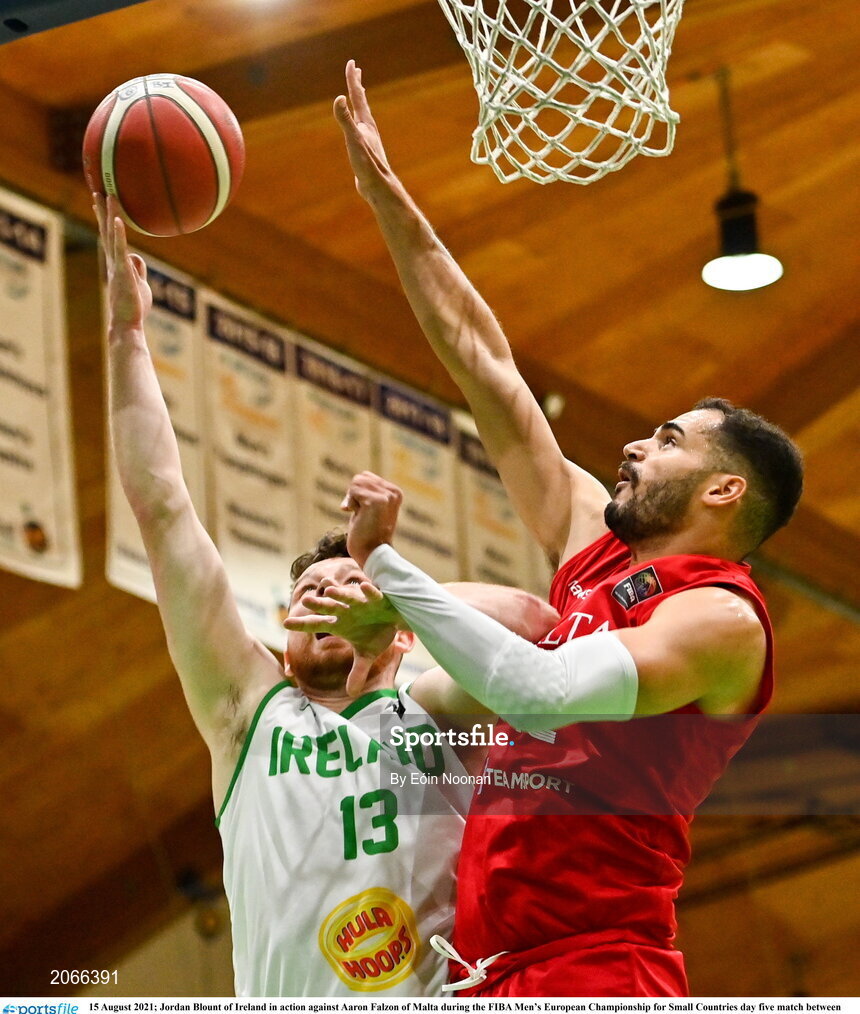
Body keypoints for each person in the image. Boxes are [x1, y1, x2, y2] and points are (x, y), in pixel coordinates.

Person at [321, 63, 806, 997]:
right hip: (487, 974)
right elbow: (483, 363)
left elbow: (538, 693)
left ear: (723, 492)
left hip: (600, 972)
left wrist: (389, 569)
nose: (632, 445)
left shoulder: (720, 624)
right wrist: (387, 203)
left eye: (666, 441)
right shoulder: (597, 551)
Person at [94, 194, 558, 997]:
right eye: (312, 590)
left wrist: (393, 586)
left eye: (353, 587)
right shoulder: (247, 714)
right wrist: (126, 336)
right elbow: (164, 510)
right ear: (284, 632)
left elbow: (534, 622)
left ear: (407, 629)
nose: (332, 596)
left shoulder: (438, 709)